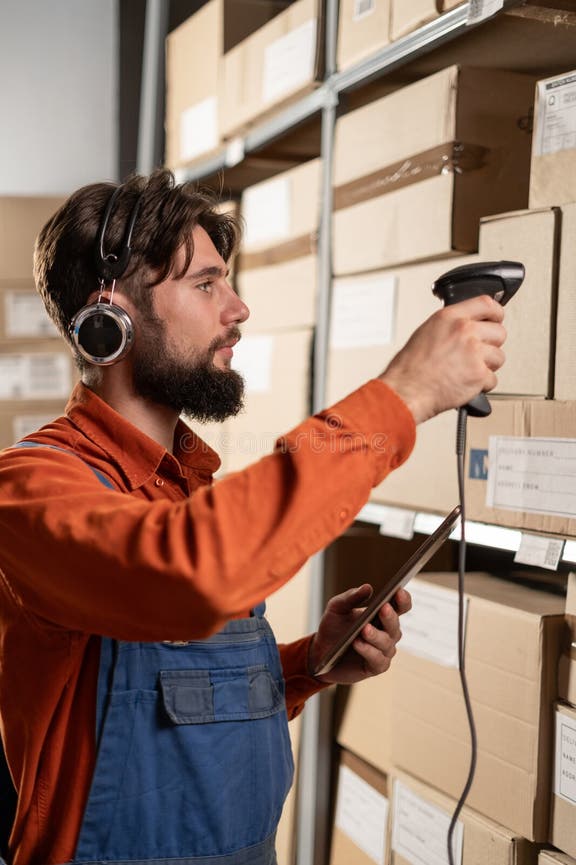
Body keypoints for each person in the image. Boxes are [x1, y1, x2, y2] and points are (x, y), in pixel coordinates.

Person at [0, 170, 506, 865]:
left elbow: (183, 710)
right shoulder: (30, 488)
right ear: (111, 316)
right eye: (206, 284)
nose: (238, 308)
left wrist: (309, 663)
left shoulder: (191, 492)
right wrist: (404, 394)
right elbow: (190, 572)